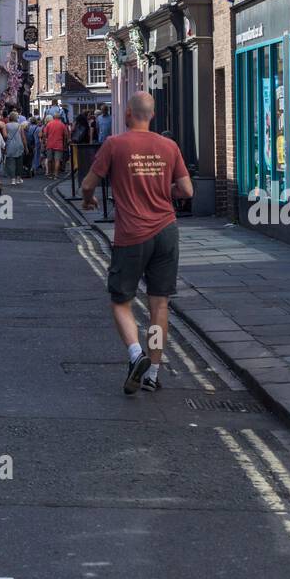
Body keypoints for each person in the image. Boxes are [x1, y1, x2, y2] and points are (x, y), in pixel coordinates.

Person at [81, 91, 193, 396]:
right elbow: (186, 189)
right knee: (160, 303)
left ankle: (135, 354)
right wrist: (162, 189)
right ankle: (154, 372)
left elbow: (88, 183)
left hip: (132, 234)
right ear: (152, 115)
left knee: (121, 301)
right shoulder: (169, 146)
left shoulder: (115, 145)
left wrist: (90, 200)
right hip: (167, 231)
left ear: (129, 114)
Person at [43, 110, 70, 179]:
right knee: (57, 160)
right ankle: (56, 174)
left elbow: (45, 135)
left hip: (50, 144)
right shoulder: (62, 124)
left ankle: (49, 174)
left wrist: (45, 142)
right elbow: (66, 135)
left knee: (50, 160)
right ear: (59, 118)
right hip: (59, 144)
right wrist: (65, 143)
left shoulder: (49, 124)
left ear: (53, 117)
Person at [3, 113, 27, 185]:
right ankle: (18, 178)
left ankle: (13, 179)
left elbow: (5, 136)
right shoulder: (20, 126)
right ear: (16, 118)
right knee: (19, 162)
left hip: (10, 145)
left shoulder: (6, 125)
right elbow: (23, 137)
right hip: (19, 145)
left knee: (11, 163)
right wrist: (26, 147)